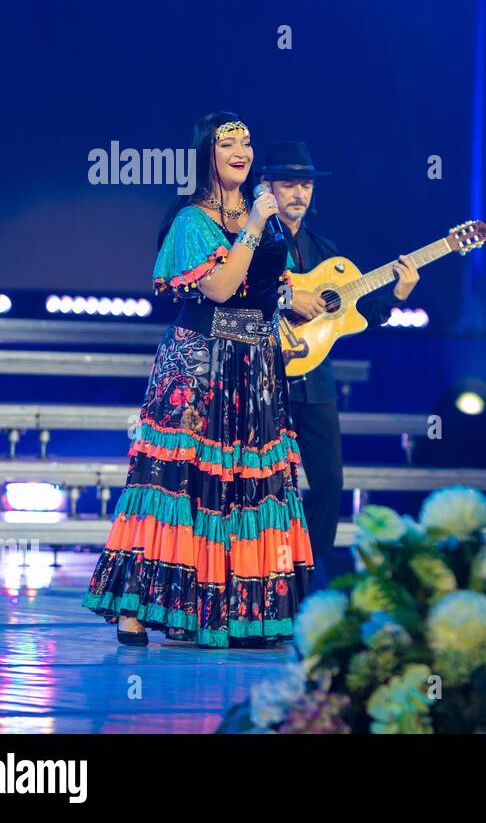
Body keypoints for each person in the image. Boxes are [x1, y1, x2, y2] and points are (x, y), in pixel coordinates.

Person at [82, 111, 313, 648]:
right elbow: (219, 287)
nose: (242, 150)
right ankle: (138, 605)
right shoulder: (191, 219)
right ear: (206, 153)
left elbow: (268, 284)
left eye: (248, 142)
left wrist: (286, 308)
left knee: (244, 486)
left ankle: (239, 612)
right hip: (200, 364)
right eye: (228, 142)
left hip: (254, 366)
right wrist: (254, 226)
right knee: (177, 482)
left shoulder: (265, 215)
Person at [260, 141, 419, 590]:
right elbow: (235, 296)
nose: (299, 193)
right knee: (265, 490)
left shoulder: (326, 250)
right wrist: (288, 298)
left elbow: (351, 317)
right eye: (289, 183)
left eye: (305, 184)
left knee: (329, 486)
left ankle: (304, 582)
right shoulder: (250, 242)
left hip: (316, 382)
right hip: (263, 377)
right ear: (267, 187)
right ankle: (260, 584)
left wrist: (397, 295)